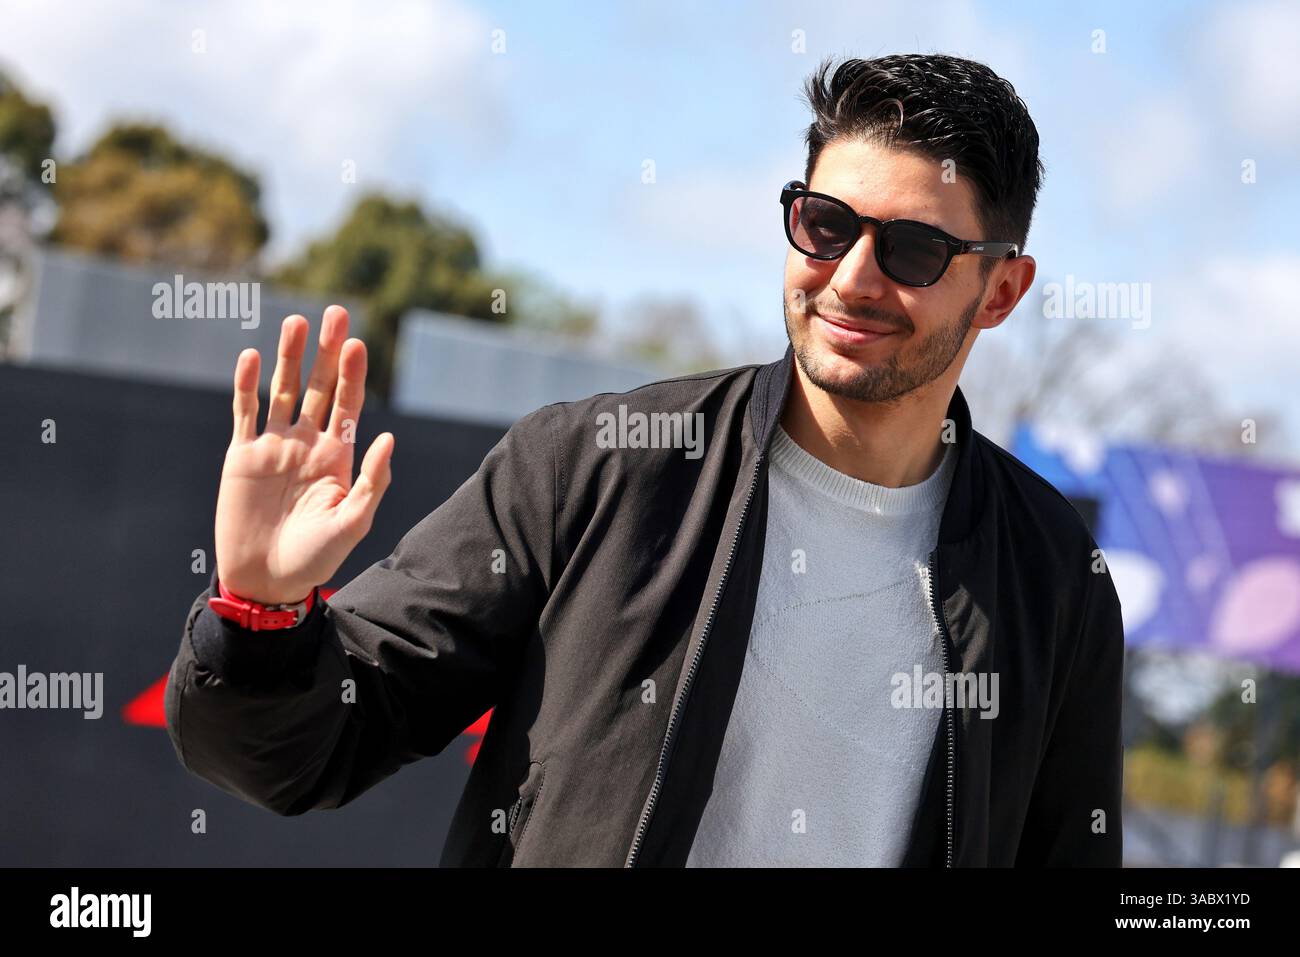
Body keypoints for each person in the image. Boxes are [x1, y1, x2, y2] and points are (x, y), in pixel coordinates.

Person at [164, 52, 1125, 867]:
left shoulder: (1054, 586)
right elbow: (308, 750)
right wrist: (259, 610)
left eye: (914, 249)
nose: (853, 277)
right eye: (826, 225)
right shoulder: (595, 468)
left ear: (1000, 290)